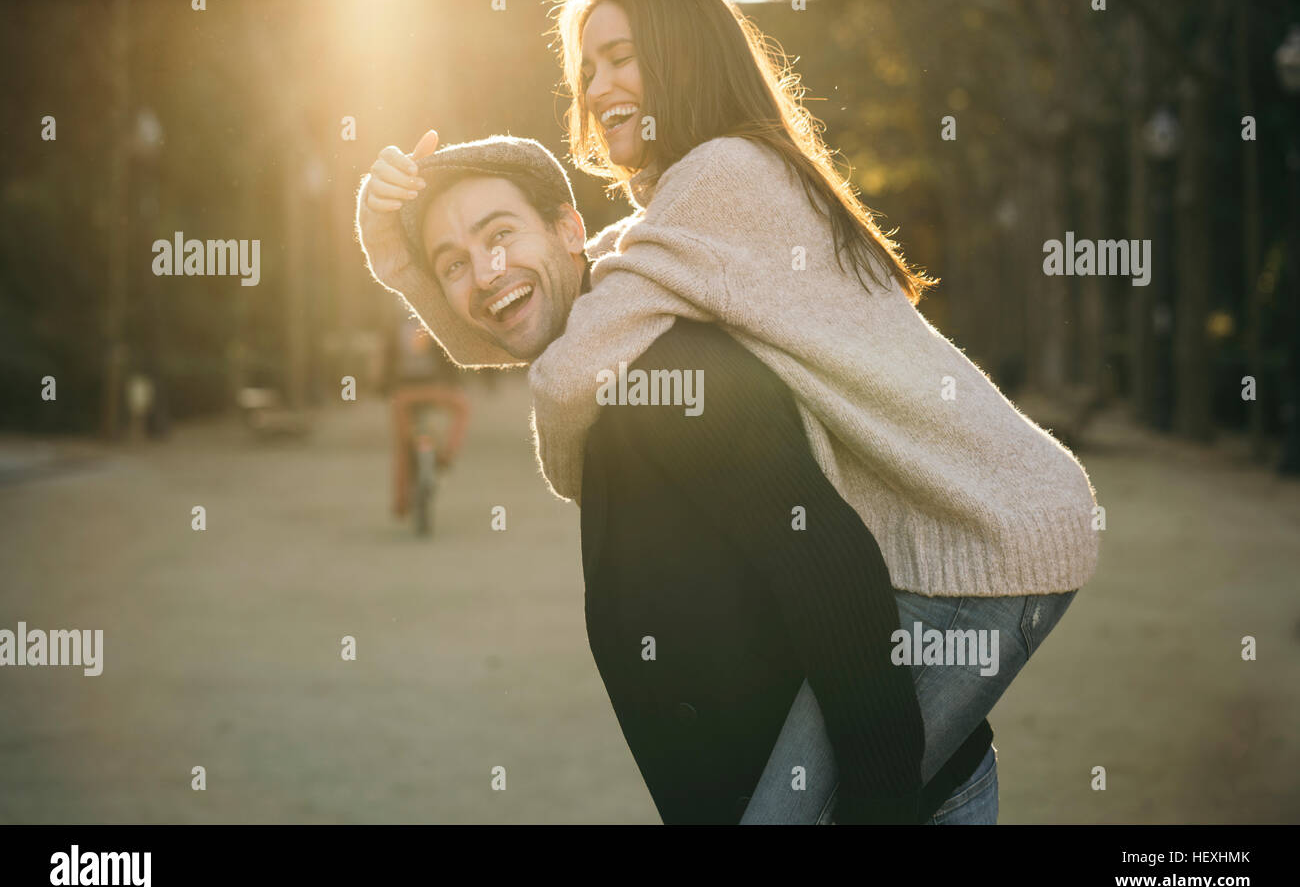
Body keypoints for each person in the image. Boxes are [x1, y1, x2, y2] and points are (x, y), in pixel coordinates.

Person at [356, 132, 1050, 823]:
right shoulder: (596, 361)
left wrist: (876, 810)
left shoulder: (662, 372)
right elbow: (500, 314)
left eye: (499, 234)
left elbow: (836, 574)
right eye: (452, 264)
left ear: (571, 228)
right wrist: (397, 260)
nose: (484, 271)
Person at [384, 295, 470, 518]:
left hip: (404, 393)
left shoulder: (392, 332)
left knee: (403, 442)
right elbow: (450, 358)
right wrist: (454, 384)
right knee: (461, 408)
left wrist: (384, 389)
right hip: (436, 389)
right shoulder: (436, 326)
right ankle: (446, 456)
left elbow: (385, 365)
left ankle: (401, 502)